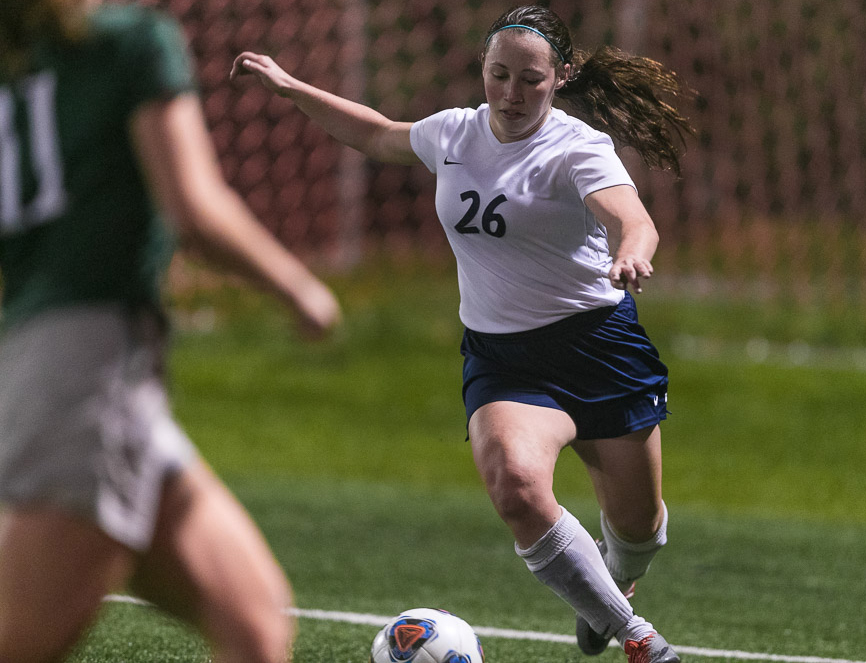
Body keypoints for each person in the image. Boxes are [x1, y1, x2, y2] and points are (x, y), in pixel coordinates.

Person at [232, 4, 692, 663]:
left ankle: (612, 582)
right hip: (505, 361)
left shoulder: (578, 148)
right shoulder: (454, 133)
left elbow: (633, 219)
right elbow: (377, 134)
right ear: (482, 67)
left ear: (560, 77)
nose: (511, 93)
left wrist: (631, 253)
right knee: (514, 485)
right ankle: (637, 635)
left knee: (638, 533)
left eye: (530, 80)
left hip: (600, 351)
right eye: (498, 75)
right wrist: (289, 87)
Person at [0, 1, 342, 661]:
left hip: (60, 367)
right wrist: (298, 288)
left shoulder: (16, 60)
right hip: (88, 377)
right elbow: (195, 211)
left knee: (253, 625)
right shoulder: (131, 43)